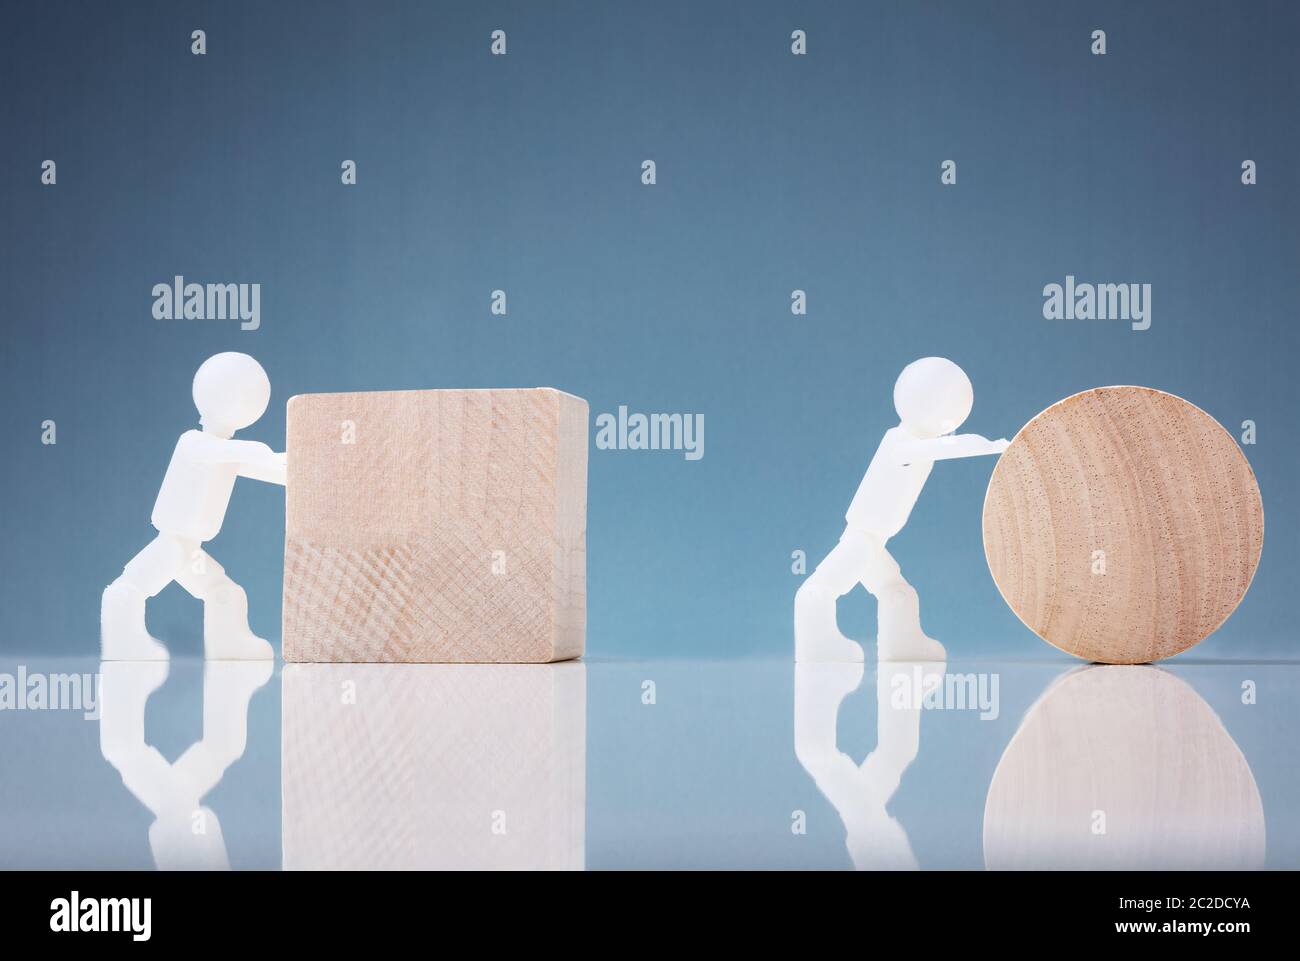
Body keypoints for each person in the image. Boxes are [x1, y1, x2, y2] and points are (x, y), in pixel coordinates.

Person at [795, 357, 1008, 662]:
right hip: (863, 535)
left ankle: (903, 647)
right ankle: (818, 644)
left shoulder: (917, 444)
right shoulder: (900, 442)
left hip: (874, 537)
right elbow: (937, 449)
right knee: (823, 587)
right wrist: (982, 445)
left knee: (897, 592)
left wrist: (978, 445)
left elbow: (936, 448)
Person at [101, 353, 286, 660]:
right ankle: (124, 643)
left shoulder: (227, 453)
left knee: (224, 593)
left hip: (191, 549)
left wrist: (294, 466)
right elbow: (231, 453)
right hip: (172, 543)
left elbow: (265, 468)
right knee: (131, 587)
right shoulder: (194, 442)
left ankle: (229, 645)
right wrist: (263, 452)